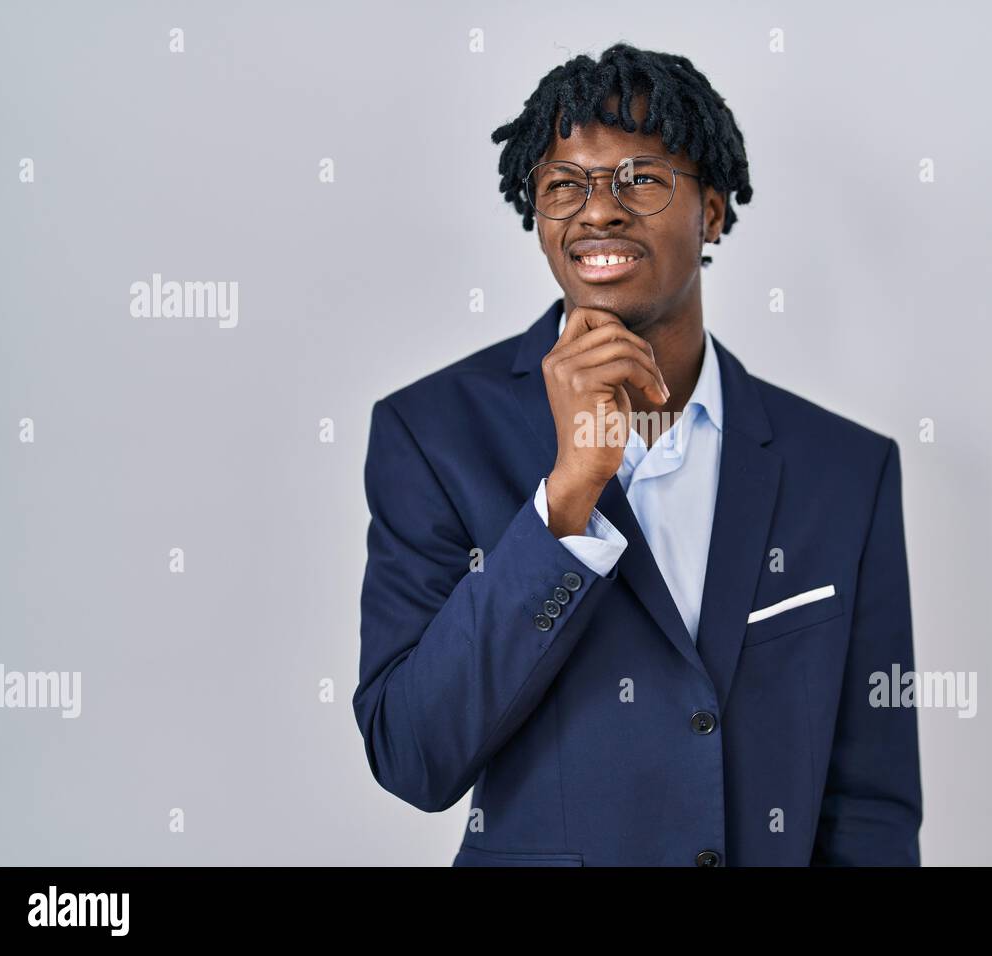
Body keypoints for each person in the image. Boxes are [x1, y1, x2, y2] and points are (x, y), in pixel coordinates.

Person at [353, 43, 921, 866]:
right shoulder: (433, 435)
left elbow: (870, 802)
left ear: (713, 211)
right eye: (563, 187)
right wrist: (568, 497)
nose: (599, 211)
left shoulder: (845, 469)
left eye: (641, 178)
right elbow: (413, 754)